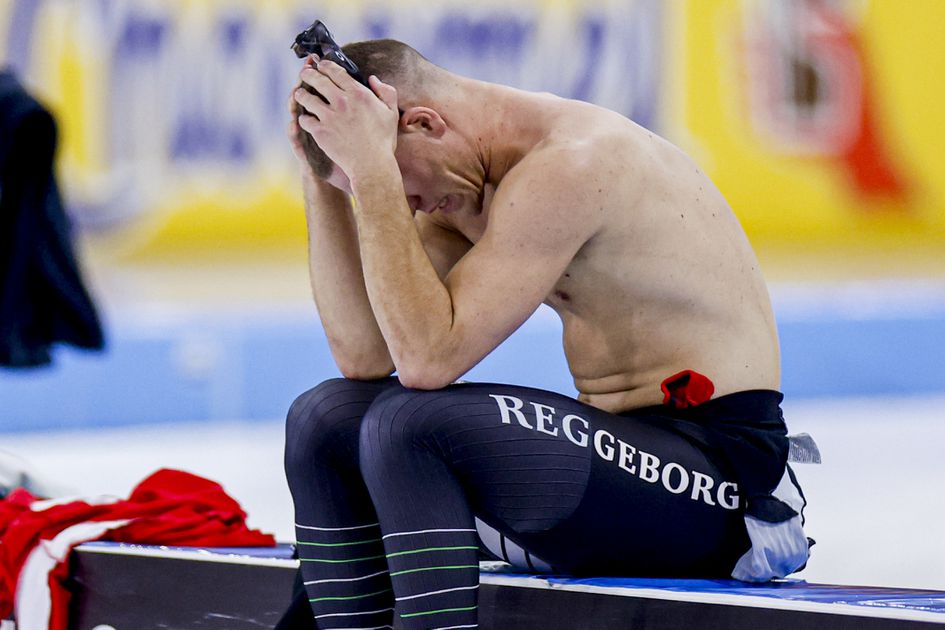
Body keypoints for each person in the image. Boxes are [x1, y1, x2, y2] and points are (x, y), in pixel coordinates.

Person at [282, 37, 812, 630]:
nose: (412, 206)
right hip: (621, 471)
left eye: (403, 186)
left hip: (721, 485)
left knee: (410, 425)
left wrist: (376, 172)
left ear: (425, 123)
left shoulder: (572, 163)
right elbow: (364, 354)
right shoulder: (461, 185)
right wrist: (323, 172)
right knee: (321, 415)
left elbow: (427, 362)